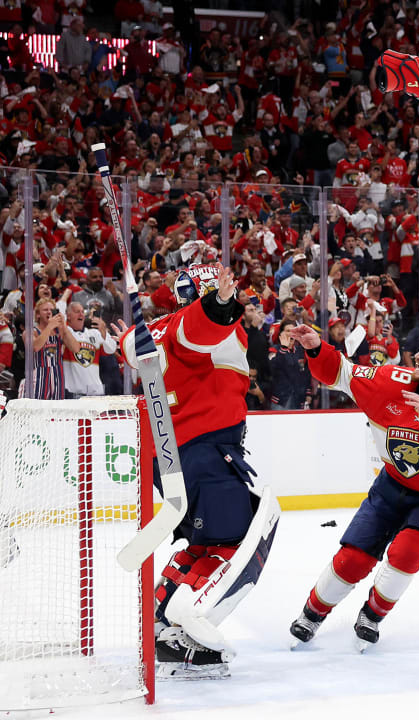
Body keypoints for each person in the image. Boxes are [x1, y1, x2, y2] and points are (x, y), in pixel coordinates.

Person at [112, 264, 269, 679]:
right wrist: (220, 305)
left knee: (202, 543)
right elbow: (199, 331)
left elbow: (128, 345)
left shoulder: (147, 332)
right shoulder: (204, 323)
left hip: (164, 457)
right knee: (236, 545)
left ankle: (161, 618)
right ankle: (191, 624)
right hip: (206, 449)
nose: (242, 300)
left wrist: (209, 307)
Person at [286, 323, 419, 652]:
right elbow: (342, 372)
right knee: (353, 559)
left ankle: (372, 615)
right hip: (391, 486)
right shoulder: (390, 382)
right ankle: (312, 614)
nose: (417, 354)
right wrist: (316, 348)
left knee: (407, 553)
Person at [27, 299, 81, 400]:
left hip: (57, 378)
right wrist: (50, 326)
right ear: (38, 315)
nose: (49, 312)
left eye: (52, 309)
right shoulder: (31, 331)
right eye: (45, 310)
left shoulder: (59, 331)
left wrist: (64, 327)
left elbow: (76, 348)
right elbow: (35, 346)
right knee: (37, 410)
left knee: (56, 412)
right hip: (38, 378)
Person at [62, 301, 116, 398]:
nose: (81, 314)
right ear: (68, 316)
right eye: (77, 311)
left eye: (82, 311)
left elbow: (111, 349)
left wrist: (103, 330)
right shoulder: (65, 332)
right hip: (74, 394)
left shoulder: (93, 333)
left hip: (96, 393)